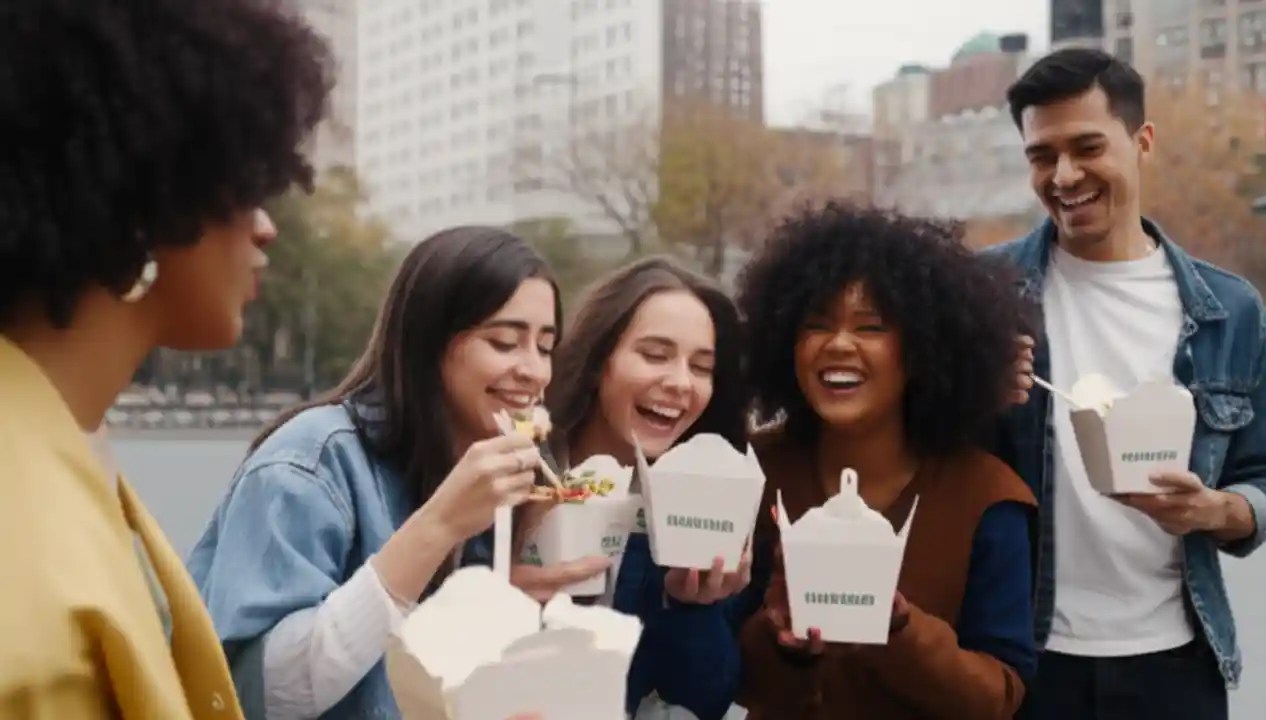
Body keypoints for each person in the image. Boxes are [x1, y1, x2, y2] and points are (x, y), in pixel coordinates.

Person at [0, 0, 330, 716]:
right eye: (246, 184)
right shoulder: (26, 571)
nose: (267, 228)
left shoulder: (66, 441)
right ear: (149, 189)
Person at [186, 228, 607, 719]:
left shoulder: (511, 478)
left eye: (545, 347)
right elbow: (259, 693)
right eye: (505, 342)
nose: (533, 371)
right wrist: (440, 525)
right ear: (428, 341)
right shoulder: (313, 461)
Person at [989, 48, 1266, 720]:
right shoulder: (982, 293)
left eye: (1087, 147)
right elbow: (914, 452)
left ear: (1142, 141)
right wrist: (966, 395)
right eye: (1041, 155)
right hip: (1021, 661)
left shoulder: (1229, 311)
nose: (1064, 176)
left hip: (1177, 665)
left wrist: (1215, 511)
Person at [733, 202, 1038, 719]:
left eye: (870, 326)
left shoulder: (989, 497)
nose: (839, 344)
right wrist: (782, 640)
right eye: (816, 325)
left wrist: (898, 627)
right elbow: (732, 682)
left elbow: (998, 697)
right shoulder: (753, 476)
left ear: (922, 349)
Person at [535, 256, 755, 719]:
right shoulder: (518, 472)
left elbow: (704, 700)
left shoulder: (702, 503)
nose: (680, 383)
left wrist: (691, 606)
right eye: (655, 355)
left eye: (702, 367)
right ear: (599, 360)